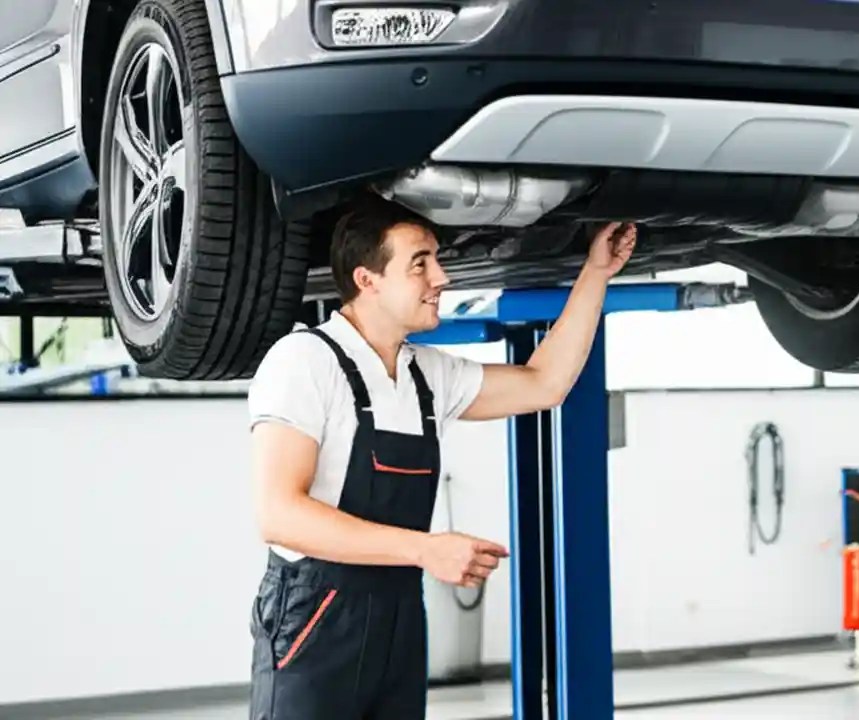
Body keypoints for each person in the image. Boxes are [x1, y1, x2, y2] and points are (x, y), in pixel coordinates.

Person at [244, 196, 637, 719]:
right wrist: (426, 549)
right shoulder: (304, 361)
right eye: (420, 263)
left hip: (399, 615)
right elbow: (279, 515)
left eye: (437, 259)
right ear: (367, 280)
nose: (442, 277)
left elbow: (544, 384)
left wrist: (596, 273)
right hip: (314, 618)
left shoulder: (425, 374)